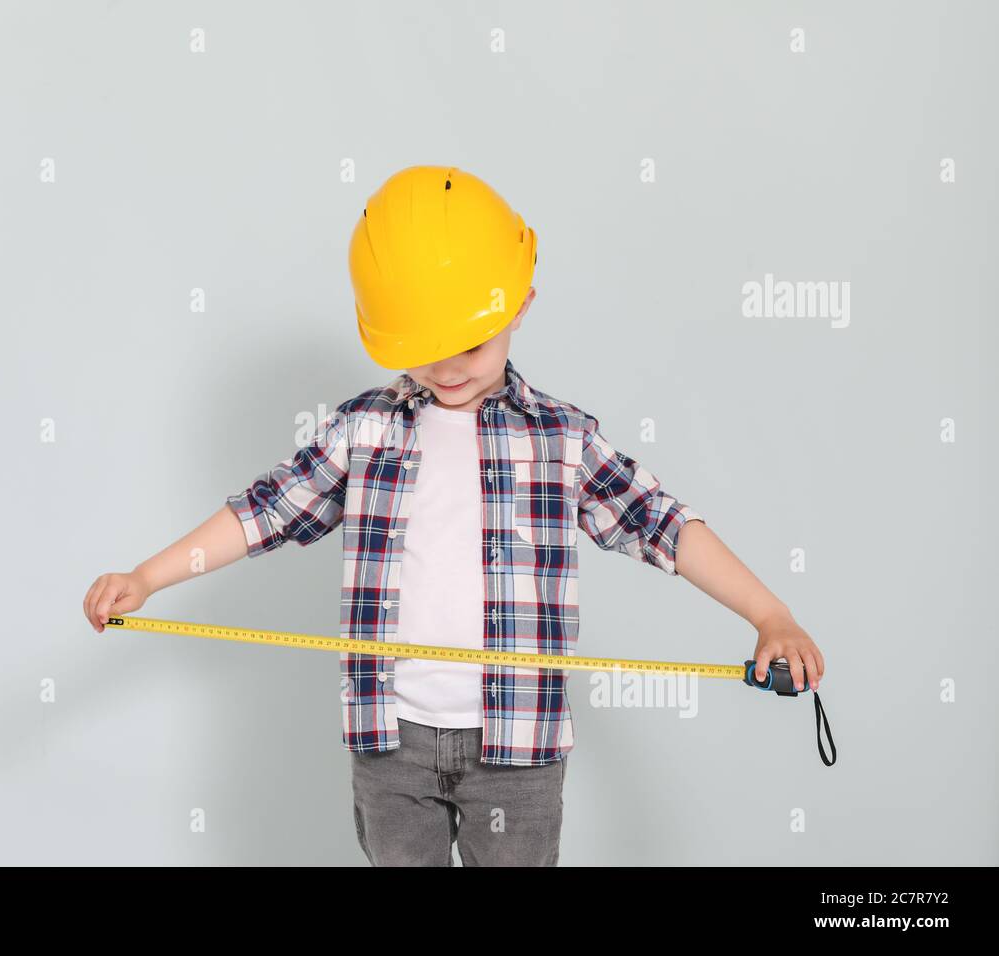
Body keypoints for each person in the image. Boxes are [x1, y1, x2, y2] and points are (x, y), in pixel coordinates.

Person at [82, 165, 825, 866]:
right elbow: (264, 511)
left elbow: (663, 525)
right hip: (389, 743)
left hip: (519, 752)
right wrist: (146, 577)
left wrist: (770, 613)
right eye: (423, 347)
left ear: (520, 302)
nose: (448, 366)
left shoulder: (560, 438)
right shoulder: (362, 430)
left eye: (470, 340)